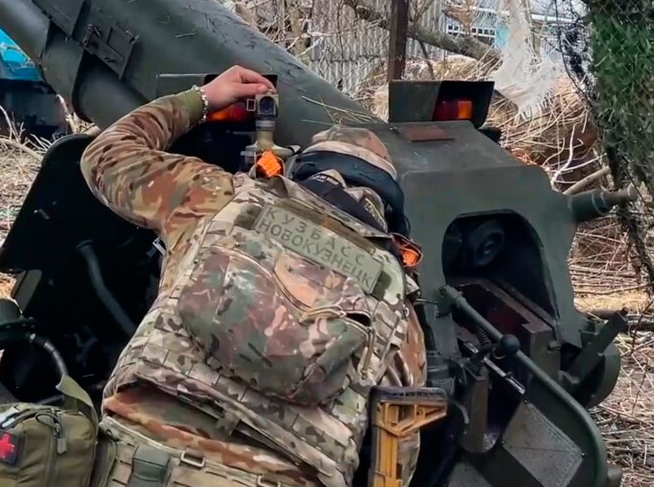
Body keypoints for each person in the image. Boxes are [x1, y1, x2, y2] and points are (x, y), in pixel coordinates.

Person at [74, 64, 431, 487]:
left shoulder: (218, 198)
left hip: (136, 465)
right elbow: (394, 462)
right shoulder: (397, 306)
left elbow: (105, 154)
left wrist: (203, 98)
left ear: (300, 170)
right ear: (386, 211)